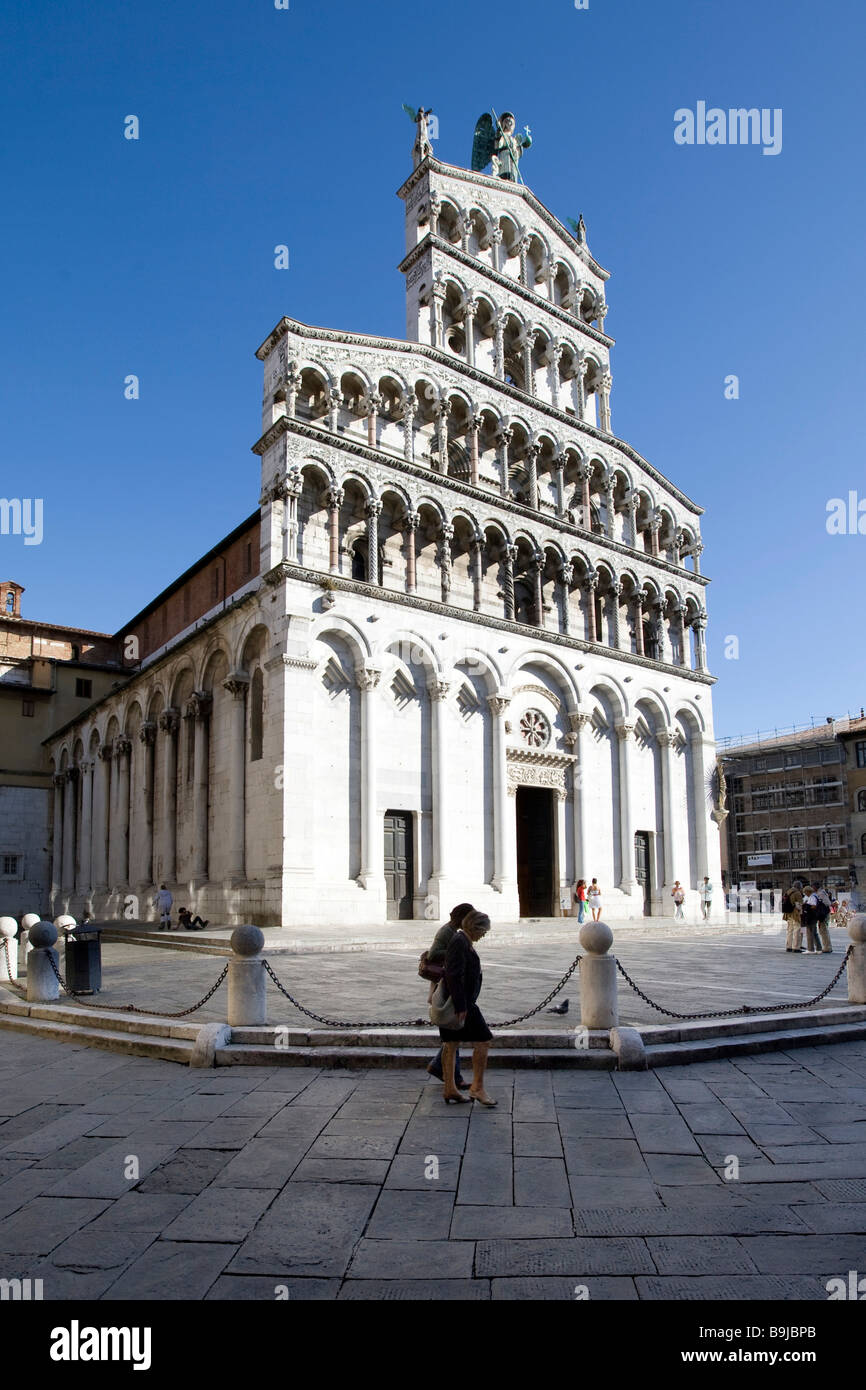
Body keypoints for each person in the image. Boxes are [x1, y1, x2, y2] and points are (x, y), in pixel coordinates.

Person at [439, 909, 496, 1106]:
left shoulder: (462, 940)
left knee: (451, 1043)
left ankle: (450, 1089)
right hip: (461, 1004)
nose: (484, 935)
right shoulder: (460, 942)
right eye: (483, 931)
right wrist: (462, 1005)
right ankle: (477, 1088)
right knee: (484, 1040)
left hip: (456, 1002)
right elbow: (453, 975)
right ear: (475, 927)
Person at [425, 903, 474, 1090]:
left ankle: (440, 1067)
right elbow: (433, 954)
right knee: (454, 1031)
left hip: (450, 986)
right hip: (446, 988)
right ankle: (453, 1075)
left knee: (453, 1033)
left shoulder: (454, 931)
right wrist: (457, 950)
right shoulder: (447, 932)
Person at [782, 880, 803, 952]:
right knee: (797, 929)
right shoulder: (797, 893)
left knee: (789, 930)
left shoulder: (788, 891)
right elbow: (800, 905)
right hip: (795, 914)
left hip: (787, 913)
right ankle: (796, 947)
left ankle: (789, 946)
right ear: (799, 887)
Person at [801, 885, 820, 954]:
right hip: (813, 917)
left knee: (810, 933)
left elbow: (814, 906)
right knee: (814, 933)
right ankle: (819, 948)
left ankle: (810, 949)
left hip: (811, 917)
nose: (805, 894)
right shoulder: (815, 896)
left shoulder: (812, 897)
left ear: (808, 891)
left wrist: (806, 907)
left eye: (805, 892)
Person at [814, 886, 833, 953]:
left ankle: (827, 947)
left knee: (823, 931)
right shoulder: (821, 893)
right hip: (824, 914)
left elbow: (828, 903)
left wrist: (820, 905)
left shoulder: (821, 893)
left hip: (823, 914)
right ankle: (827, 947)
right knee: (823, 931)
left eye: (813, 887)